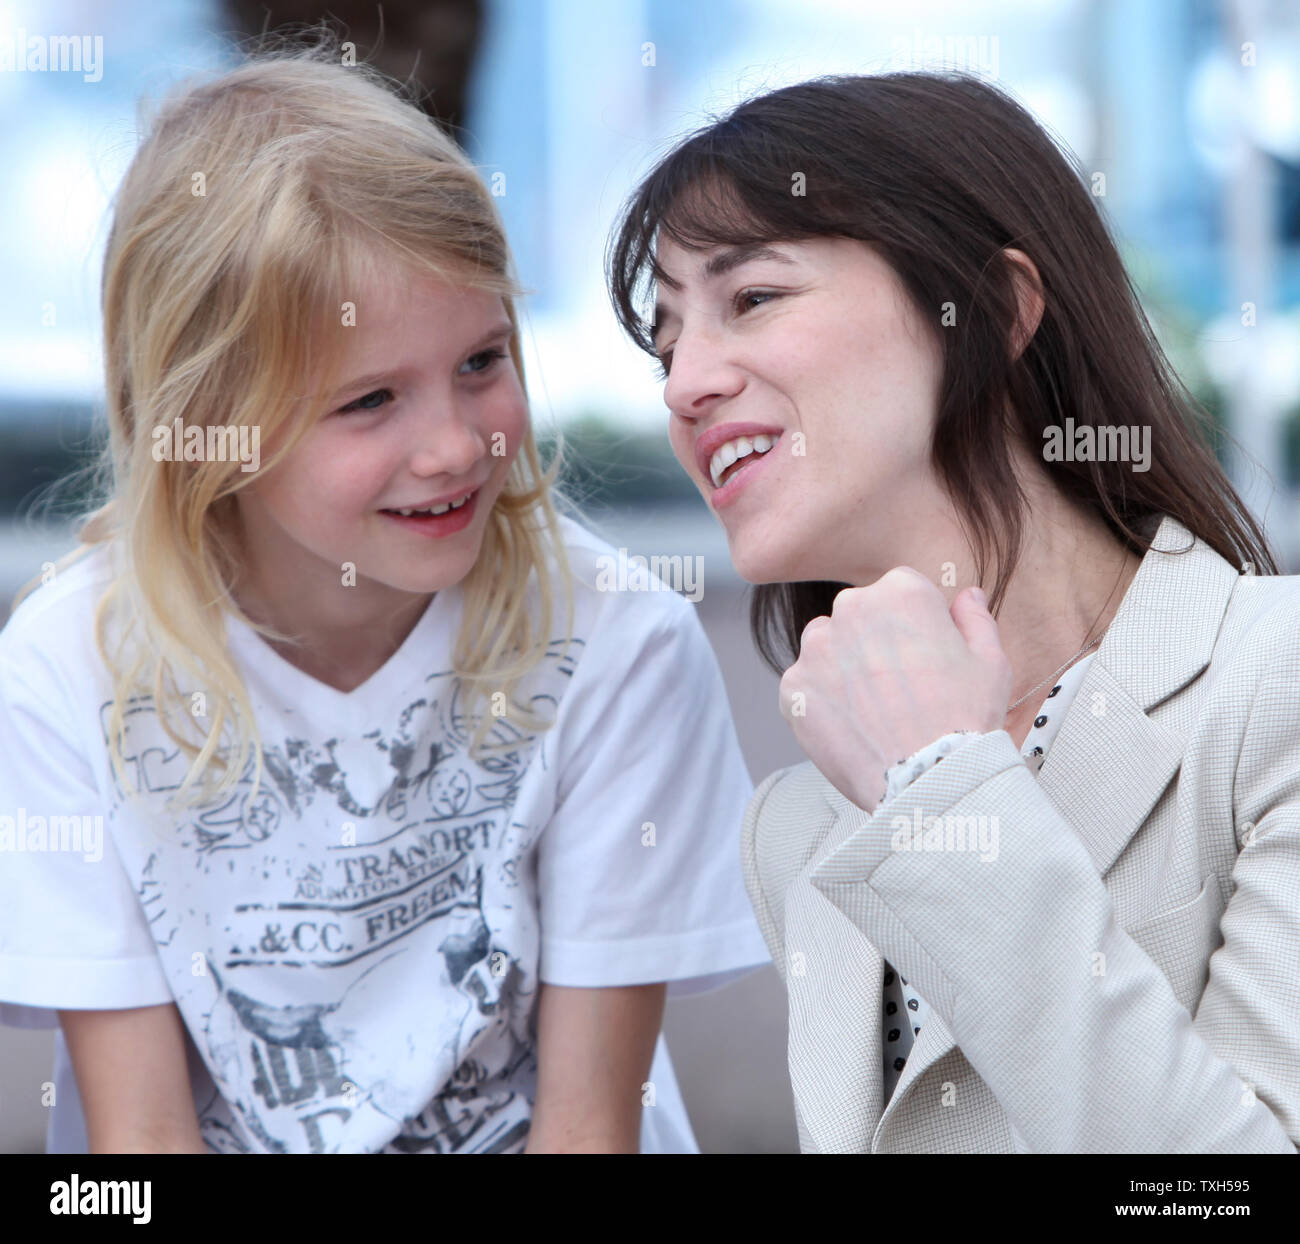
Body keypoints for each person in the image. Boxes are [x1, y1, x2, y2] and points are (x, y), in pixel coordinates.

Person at [0, 42, 770, 1155]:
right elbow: (138, 1149)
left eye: (481, 360)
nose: (456, 445)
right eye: (370, 400)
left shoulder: (617, 639)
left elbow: (589, 1127)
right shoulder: (69, 665)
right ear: (205, 427)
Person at [605, 70, 1300, 1152]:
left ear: (991, 308)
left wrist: (941, 784)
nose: (683, 382)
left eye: (752, 298)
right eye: (664, 342)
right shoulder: (798, 825)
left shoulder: (1272, 681)